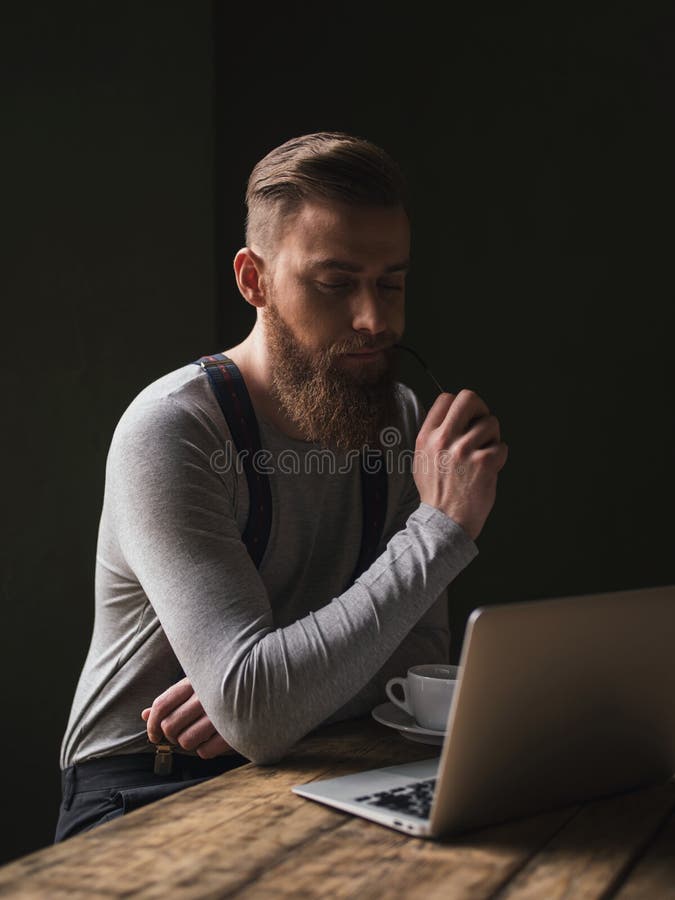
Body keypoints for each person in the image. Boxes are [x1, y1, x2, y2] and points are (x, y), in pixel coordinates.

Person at [55, 131, 508, 841]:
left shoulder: (397, 419)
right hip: (142, 788)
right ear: (253, 279)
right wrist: (440, 529)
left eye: (391, 282)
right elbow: (259, 708)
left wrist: (278, 698)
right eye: (334, 283)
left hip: (318, 763)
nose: (375, 320)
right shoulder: (174, 431)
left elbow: (416, 663)